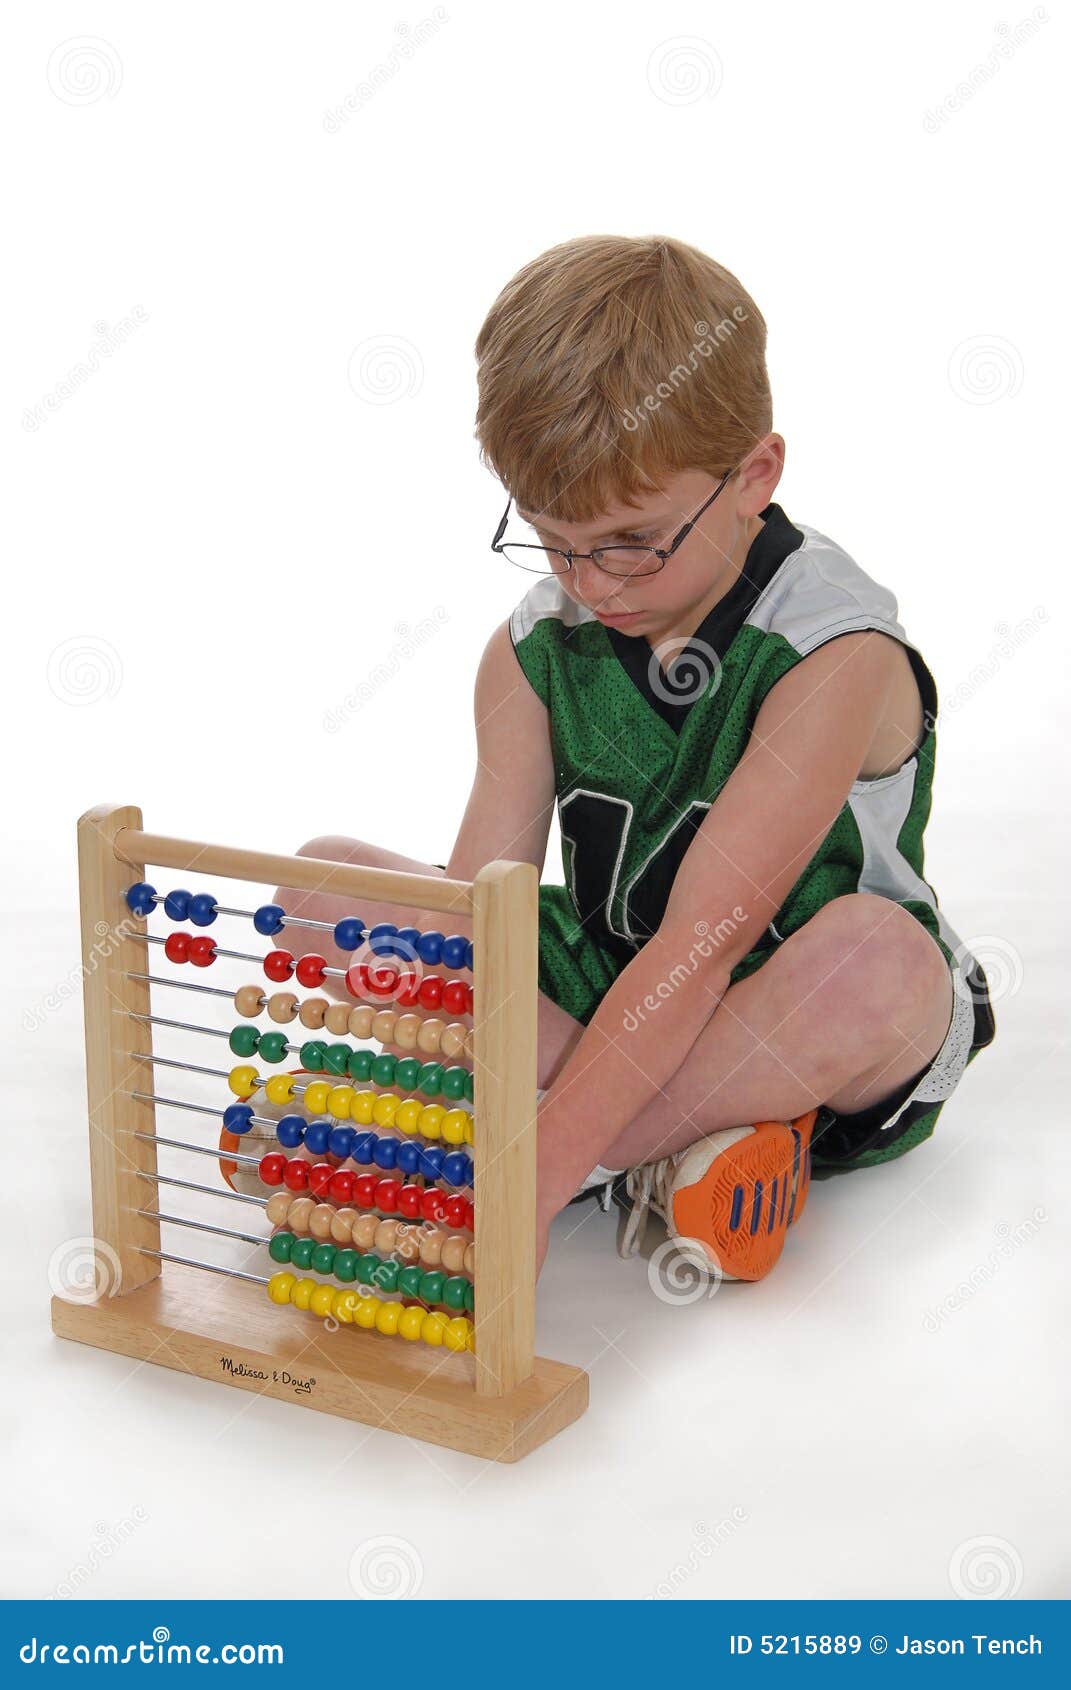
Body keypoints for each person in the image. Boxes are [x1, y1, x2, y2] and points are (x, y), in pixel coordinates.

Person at [276, 234, 995, 1283]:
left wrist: (512, 1191)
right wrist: (443, 981)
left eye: (631, 540)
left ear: (754, 475)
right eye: (555, 541)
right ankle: (679, 1149)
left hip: (796, 1009)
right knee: (319, 890)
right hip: (610, 985)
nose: (593, 582)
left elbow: (702, 949)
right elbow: (489, 914)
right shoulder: (533, 647)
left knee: (874, 965)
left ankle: (552, 1147)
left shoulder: (833, 650)